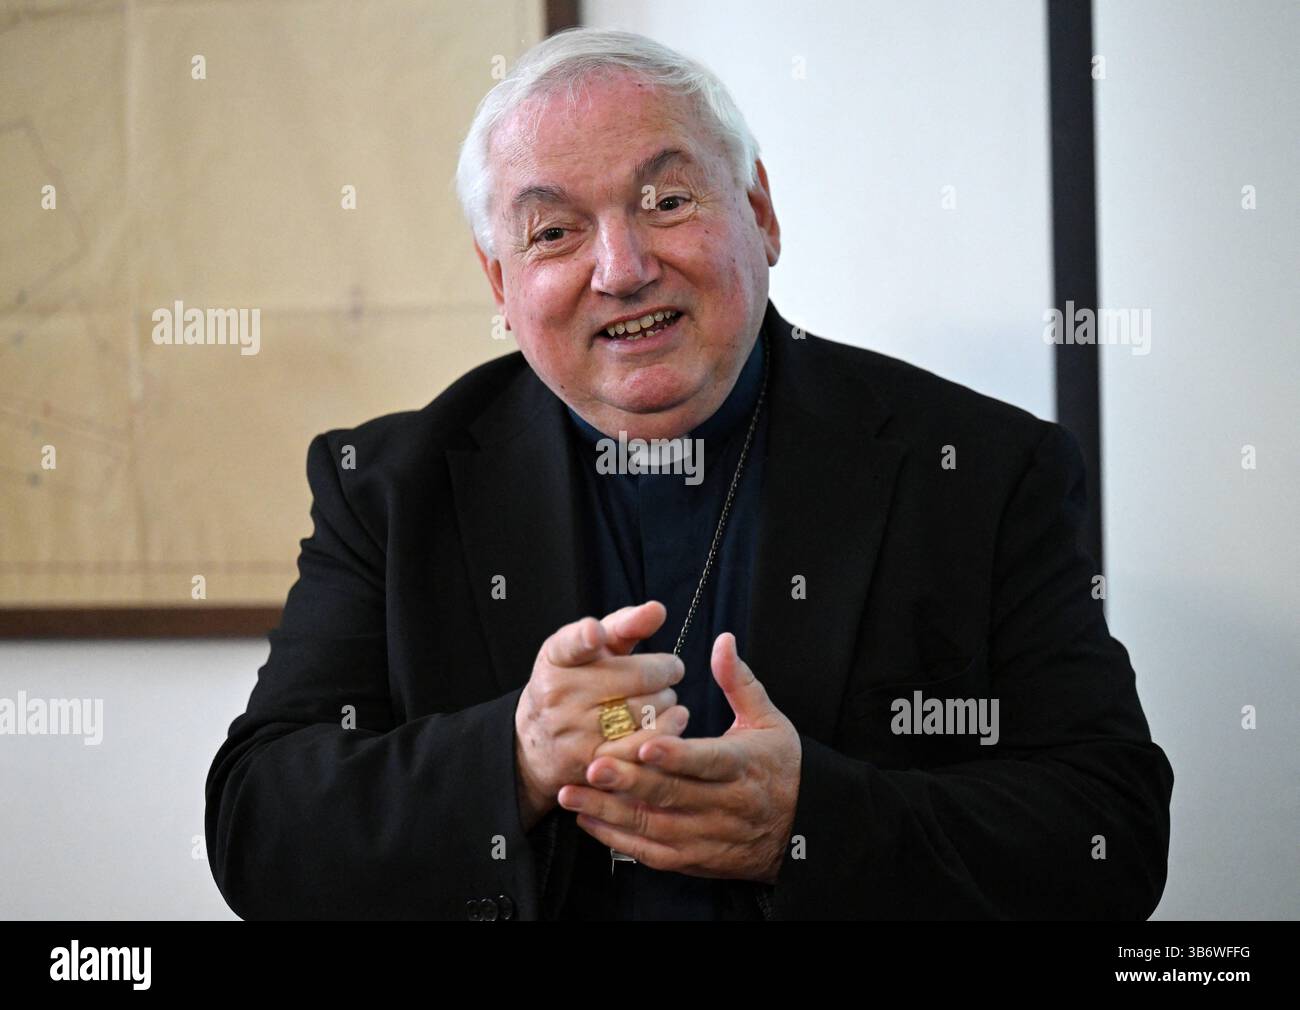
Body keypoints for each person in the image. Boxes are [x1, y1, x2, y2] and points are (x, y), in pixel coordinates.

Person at [205, 27, 1173, 920]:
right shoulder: (387, 485)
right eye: (553, 232)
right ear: (500, 283)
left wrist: (811, 820)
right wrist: (516, 755)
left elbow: (1109, 837)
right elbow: (261, 829)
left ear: (759, 213)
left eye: (667, 201)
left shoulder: (977, 469)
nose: (622, 268)